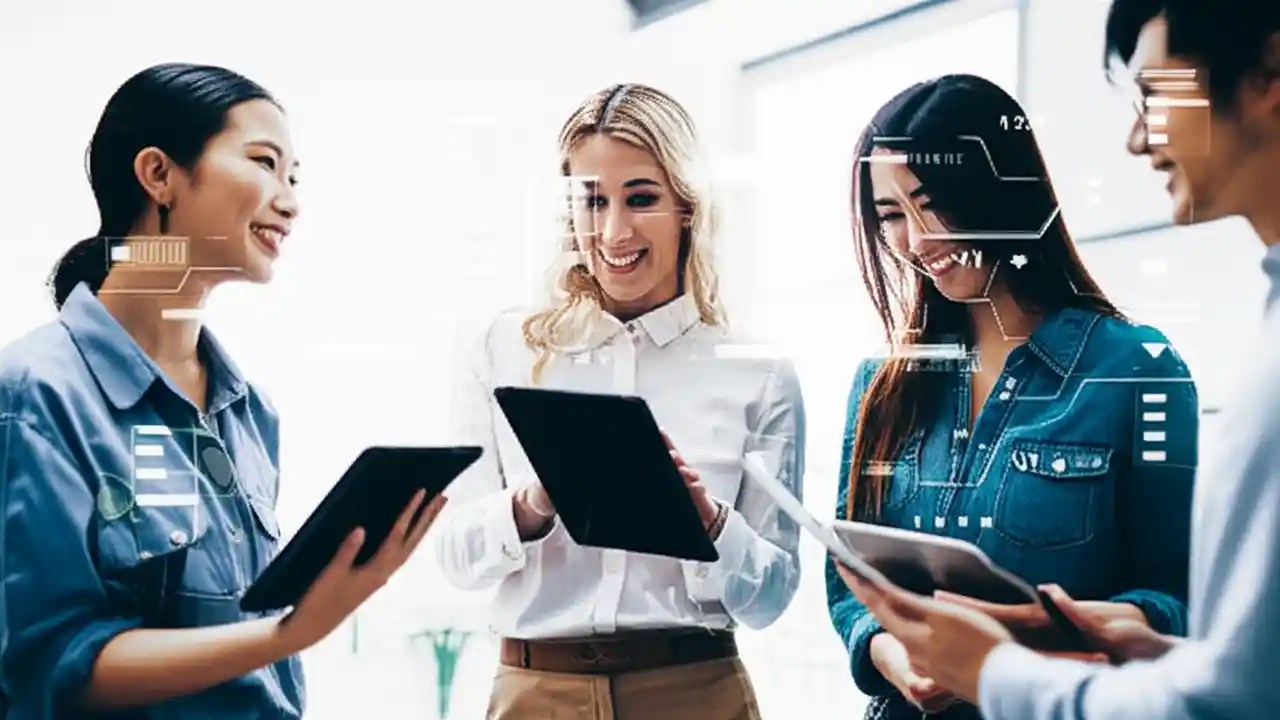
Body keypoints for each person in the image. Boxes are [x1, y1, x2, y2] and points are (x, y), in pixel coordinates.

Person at [842, 1, 1280, 718]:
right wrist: (894, 653)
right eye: (890, 214)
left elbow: (1184, 594)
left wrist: (1096, 630)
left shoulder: (1140, 371)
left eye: (934, 202)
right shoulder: (882, 386)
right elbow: (848, 581)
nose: (914, 239)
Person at [0, 63, 442, 719]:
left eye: (294, 176)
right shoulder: (37, 394)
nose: (290, 200)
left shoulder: (250, 412)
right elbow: (55, 669)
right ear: (159, 176)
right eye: (265, 163)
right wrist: (292, 632)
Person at [434, 82, 806, 720]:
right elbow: (455, 557)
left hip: (695, 693)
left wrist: (708, 524)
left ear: (688, 207)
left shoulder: (758, 374)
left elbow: (772, 597)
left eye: (641, 198)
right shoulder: (504, 351)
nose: (613, 230)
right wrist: (532, 504)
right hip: (534, 695)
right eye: (591, 200)